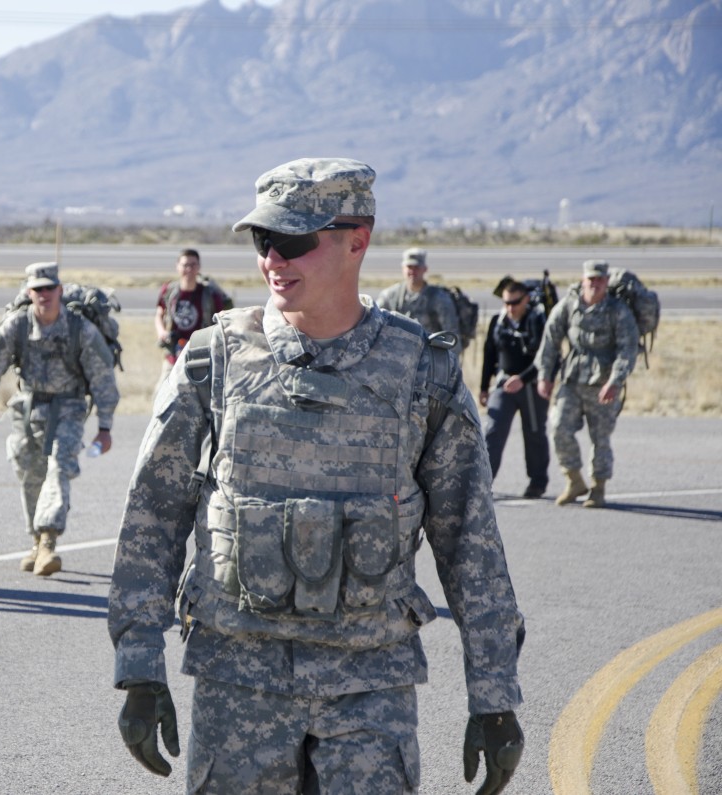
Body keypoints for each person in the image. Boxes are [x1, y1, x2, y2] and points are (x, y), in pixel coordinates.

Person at [108, 158, 524, 794]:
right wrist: (140, 666)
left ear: (358, 240)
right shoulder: (212, 359)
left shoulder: (422, 373)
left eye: (295, 240)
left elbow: (470, 542)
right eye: (263, 240)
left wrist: (493, 695)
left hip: (370, 689)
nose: (274, 258)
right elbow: (153, 517)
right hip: (238, 685)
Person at [0, 262, 119, 577]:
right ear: (29, 293)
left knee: (59, 468)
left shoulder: (81, 329)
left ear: (60, 291)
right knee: (30, 476)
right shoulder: (17, 326)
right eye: (38, 289)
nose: (44, 294)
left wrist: (105, 427)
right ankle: (36, 541)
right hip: (26, 410)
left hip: (69, 409)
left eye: (50, 288)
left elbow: (103, 378)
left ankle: (49, 540)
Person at [537, 260, 639, 508]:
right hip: (572, 379)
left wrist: (615, 381)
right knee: (559, 427)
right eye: (590, 279)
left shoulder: (617, 311)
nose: (594, 284)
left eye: (599, 280)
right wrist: (544, 375)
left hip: (603, 383)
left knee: (600, 438)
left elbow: (627, 350)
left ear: (606, 282)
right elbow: (551, 338)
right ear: (583, 280)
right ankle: (574, 480)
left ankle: (599, 488)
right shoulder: (570, 305)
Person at [479, 279, 550, 498]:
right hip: (503, 385)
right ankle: (482, 484)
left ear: (526, 299)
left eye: (515, 302)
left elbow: (545, 356)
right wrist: (484, 387)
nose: (510, 307)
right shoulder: (498, 321)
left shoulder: (537, 321)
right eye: (507, 302)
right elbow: (489, 353)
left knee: (535, 433)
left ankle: (537, 482)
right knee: (493, 431)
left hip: (531, 386)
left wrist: (524, 378)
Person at [154, 248, 232, 382]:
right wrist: (162, 332)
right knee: (162, 395)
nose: (189, 269)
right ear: (177, 267)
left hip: (202, 356)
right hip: (173, 355)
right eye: (185, 265)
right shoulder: (169, 291)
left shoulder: (210, 294)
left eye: (193, 265)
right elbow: (159, 314)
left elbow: (221, 321)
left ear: (199, 267)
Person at [376, 246, 463, 351]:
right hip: (396, 358)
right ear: (403, 269)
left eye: (416, 267)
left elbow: (452, 336)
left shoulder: (439, 298)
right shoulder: (390, 296)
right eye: (409, 267)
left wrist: (449, 365)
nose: (413, 271)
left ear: (425, 269)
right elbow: (375, 325)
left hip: (428, 361)